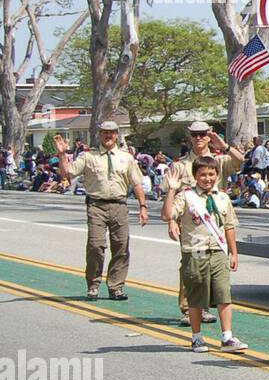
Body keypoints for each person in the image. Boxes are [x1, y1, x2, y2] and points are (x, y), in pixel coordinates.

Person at [53, 124, 150, 300]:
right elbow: (67, 174)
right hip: (96, 205)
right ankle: (93, 284)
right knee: (95, 246)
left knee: (121, 247)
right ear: (100, 135)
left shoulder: (126, 158)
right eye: (105, 133)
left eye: (111, 133)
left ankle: (116, 287)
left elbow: (136, 183)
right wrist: (61, 154)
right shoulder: (89, 156)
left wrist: (143, 207)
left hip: (119, 205)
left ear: (117, 135)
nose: (108, 136)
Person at [162, 122, 245, 323]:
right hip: (191, 222)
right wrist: (171, 222)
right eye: (195, 135)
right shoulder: (181, 165)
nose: (199, 138)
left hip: (217, 220)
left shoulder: (221, 160)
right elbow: (171, 195)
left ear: (209, 136)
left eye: (203, 134)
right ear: (189, 137)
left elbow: (240, 162)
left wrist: (224, 145)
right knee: (190, 266)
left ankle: (204, 307)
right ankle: (188, 308)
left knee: (215, 265)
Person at [167, 156, 246, 354]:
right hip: (195, 252)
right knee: (196, 297)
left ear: (217, 175)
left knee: (223, 294)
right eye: (202, 174)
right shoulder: (186, 196)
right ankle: (197, 337)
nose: (207, 178)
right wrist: (171, 190)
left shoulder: (222, 198)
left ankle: (227, 336)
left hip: (218, 251)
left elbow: (229, 227)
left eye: (211, 174)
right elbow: (168, 215)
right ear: (195, 176)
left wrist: (234, 252)